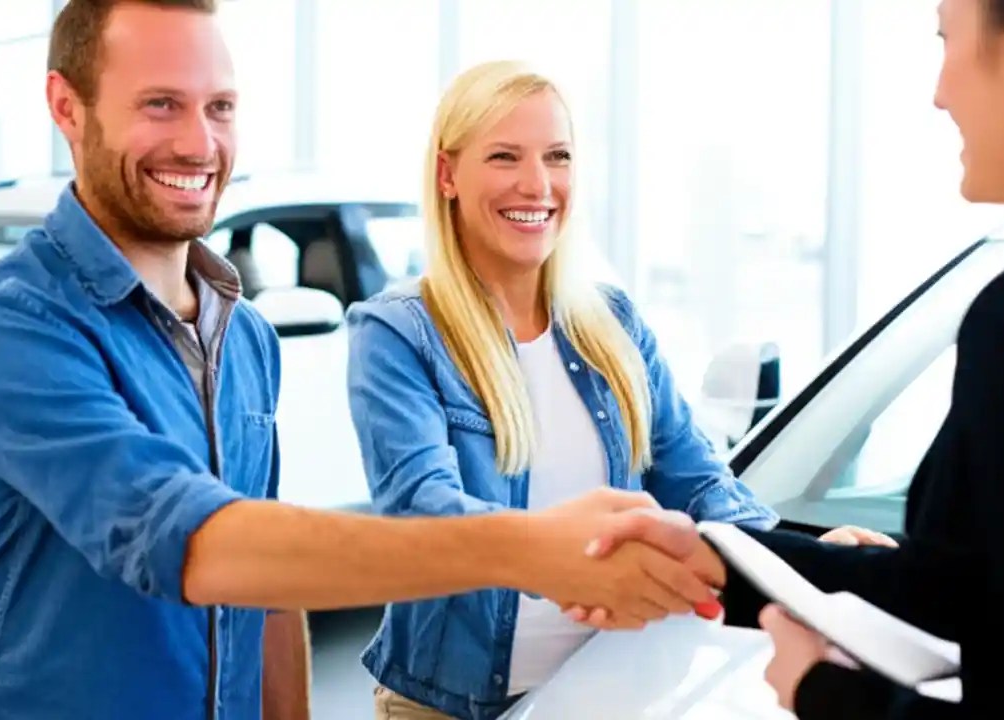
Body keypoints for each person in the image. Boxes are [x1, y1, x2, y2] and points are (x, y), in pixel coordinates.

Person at [0, 3, 725, 719]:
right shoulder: (12, 327)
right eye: (160, 104)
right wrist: (539, 550)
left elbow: (264, 594)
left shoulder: (245, 338)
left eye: (220, 107)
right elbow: (192, 542)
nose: (199, 142)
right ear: (67, 106)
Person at [578, 0, 1004, 717]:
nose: (939, 92)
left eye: (945, 39)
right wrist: (717, 556)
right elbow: (967, 588)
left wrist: (826, 691)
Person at [342, 60, 891, 720]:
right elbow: (422, 515)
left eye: (558, 155)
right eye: (504, 156)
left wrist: (797, 561)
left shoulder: (612, 325)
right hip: (453, 704)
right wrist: (570, 552)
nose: (538, 183)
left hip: (613, 690)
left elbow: (698, 483)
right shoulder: (399, 333)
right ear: (447, 174)